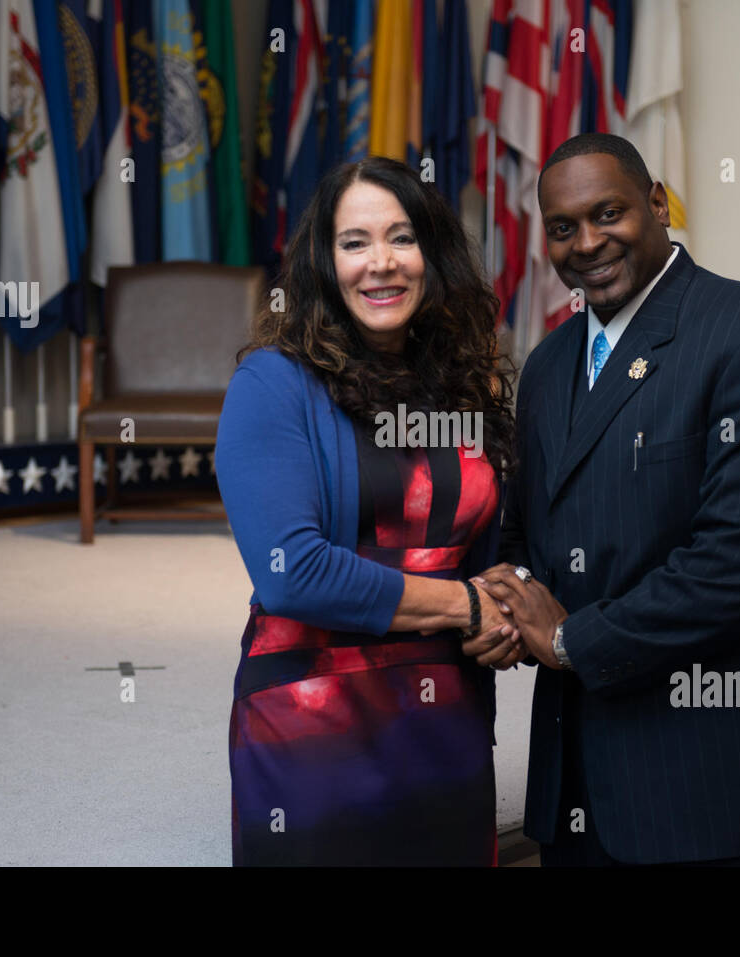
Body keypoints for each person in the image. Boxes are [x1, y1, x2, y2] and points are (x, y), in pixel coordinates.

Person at [468, 132, 740, 866]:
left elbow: (739, 564)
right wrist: (507, 602)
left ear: (657, 204)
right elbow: (524, 534)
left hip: (716, 785)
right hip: (577, 785)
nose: (586, 242)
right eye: (562, 227)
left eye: (607, 213)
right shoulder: (549, 364)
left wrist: (567, 640)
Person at [214, 156, 519, 866]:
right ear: (325, 261)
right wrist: (465, 605)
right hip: (312, 718)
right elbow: (296, 574)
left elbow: (481, 549)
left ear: (432, 253)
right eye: (355, 242)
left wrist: (502, 611)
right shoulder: (272, 383)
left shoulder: (457, 384)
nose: (380, 263)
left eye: (401, 237)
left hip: (448, 715)